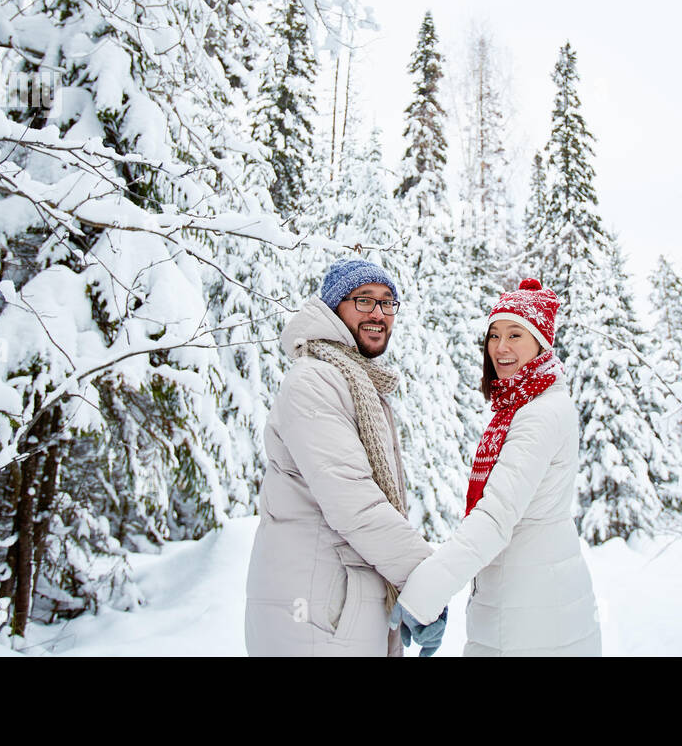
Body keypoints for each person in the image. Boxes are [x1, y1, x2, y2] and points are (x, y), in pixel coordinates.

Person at [392, 278, 601, 656]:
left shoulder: (539, 415)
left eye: (515, 335)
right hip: (529, 603)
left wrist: (425, 593)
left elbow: (495, 516)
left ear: (540, 343)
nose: (500, 347)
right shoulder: (523, 408)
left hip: (532, 618)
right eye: (494, 335)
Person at [245, 257, 442, 656]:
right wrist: (427, 578)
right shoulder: (315, 380)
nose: (379, 313)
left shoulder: (353, 381)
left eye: (388, 302)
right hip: (314, 614)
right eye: (364, 300)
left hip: (335, 607)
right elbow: (353, 501)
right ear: (335, 307)